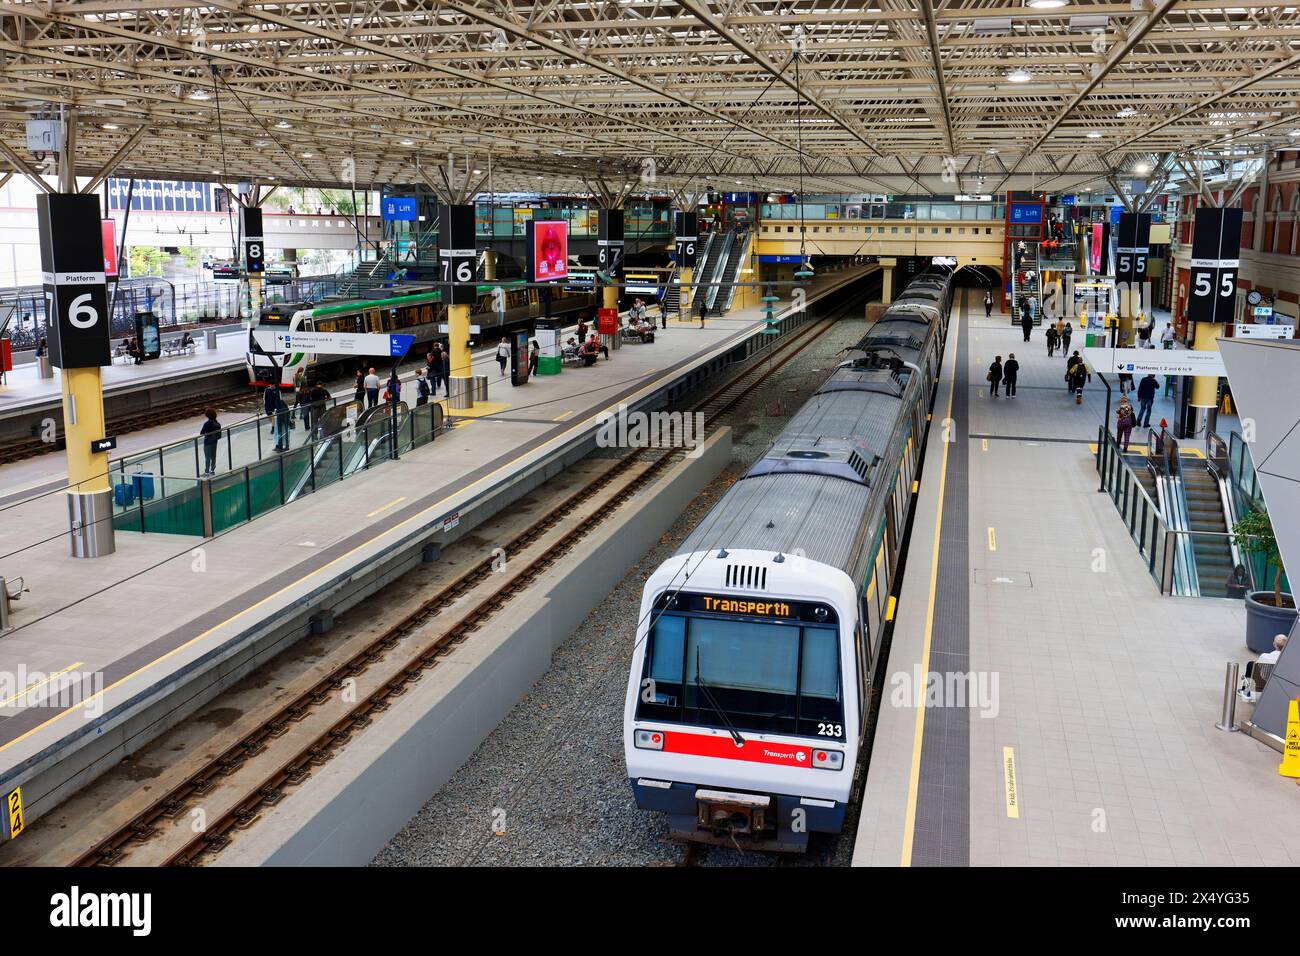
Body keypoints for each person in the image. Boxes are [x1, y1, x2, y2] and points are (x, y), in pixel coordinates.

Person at [200, 408, 221, 476]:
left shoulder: (207, 424)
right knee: (213, 456)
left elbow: (202, 433)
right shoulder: (217, 423)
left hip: (207, 442)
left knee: (207, 457)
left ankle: (206, 471)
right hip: (214, 442)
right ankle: (212, 470)